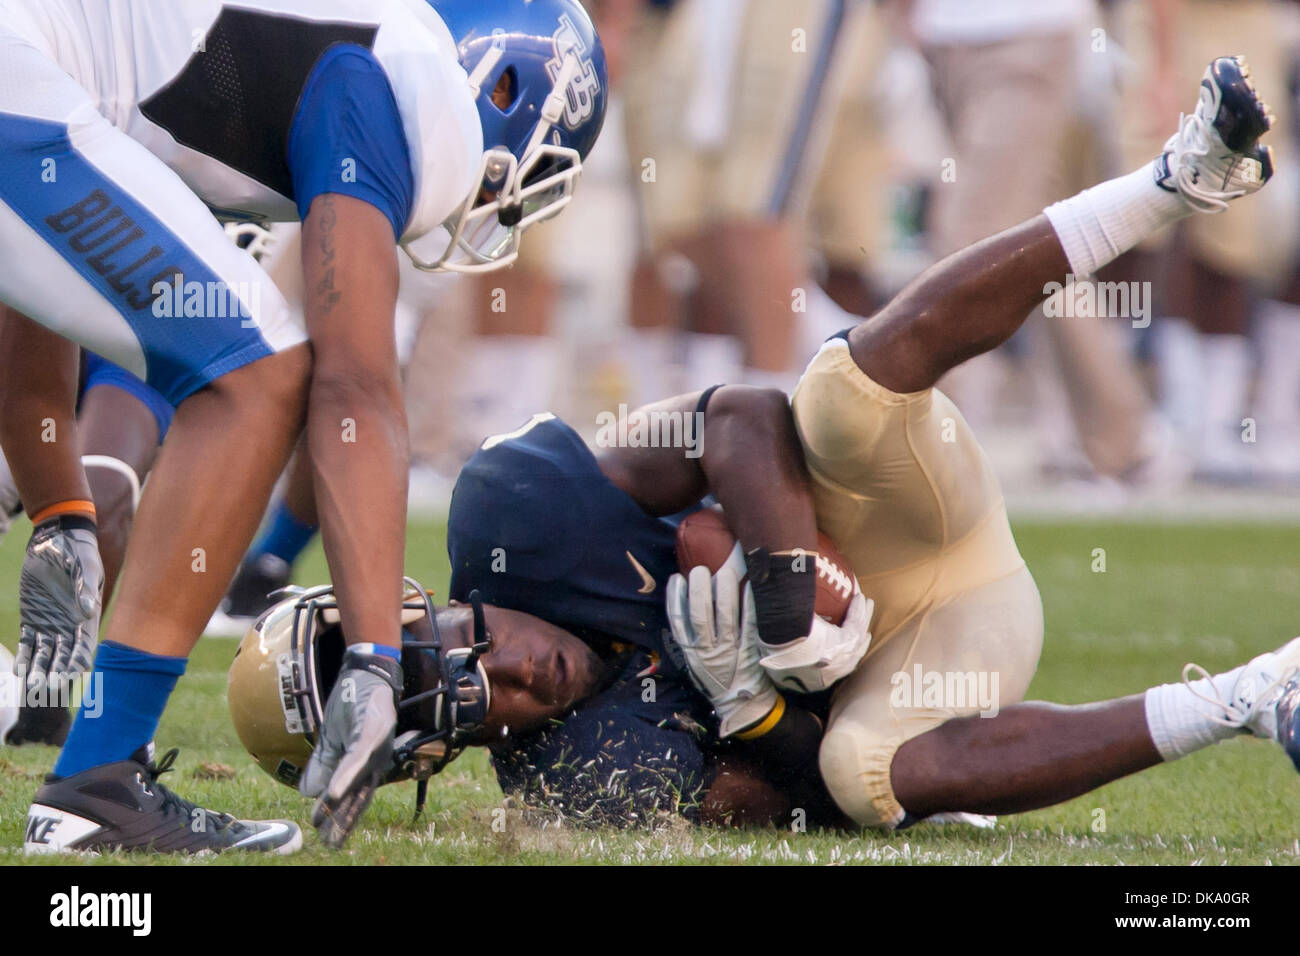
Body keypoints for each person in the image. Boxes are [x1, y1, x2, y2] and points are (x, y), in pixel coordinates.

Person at [230, 56, 1300, 833]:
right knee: (862, 770)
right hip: (934, 647)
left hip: (900, 502)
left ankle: (1167, 184)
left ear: (416, 602)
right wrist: (758, 707)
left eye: (466, 646)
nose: (514, 670)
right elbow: (800, 805)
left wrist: (784, 599)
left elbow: (735, 413)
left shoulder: (516, 507)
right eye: (478, 704)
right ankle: (1249, 694)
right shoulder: (580, 779)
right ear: (432, 756)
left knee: (830, 392)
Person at [5, 0, 607, 854]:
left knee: (251, 356)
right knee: (259, 375)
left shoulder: (200, 63)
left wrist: (61, 514)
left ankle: (99, 778)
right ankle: (99, 780)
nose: (503, 199)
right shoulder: (393, 73)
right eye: (535, 166)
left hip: (21, 84)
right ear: (506, 81)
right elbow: (354, 385)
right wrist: (372, 656)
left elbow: (32, 280)